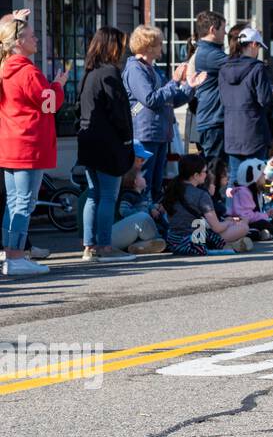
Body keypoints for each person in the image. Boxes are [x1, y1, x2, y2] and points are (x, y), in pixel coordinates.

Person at [1, 16, 66, 275]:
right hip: (28, 144)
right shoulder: (27, 71)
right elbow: (49, 104)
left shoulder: (5, 67)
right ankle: (16, 257)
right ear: (19, 42)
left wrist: (14, 18)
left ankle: (10, 254)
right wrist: (58, 85)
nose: (36, 38)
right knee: (24, 203)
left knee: (13, 202)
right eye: (31, 35)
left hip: (9, 143)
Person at [123, 25, 205, 203]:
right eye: (159, 44)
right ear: (148, 46)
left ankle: (154, 219)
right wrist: (175, 81)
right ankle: (141, 217)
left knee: (156, 183)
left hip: (159, 133)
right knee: (142, 181)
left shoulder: (154, 69)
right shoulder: (136, 69)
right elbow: (150, 99)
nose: (163, 47)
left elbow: (171, 100)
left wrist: (190, 86)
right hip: (144, 133)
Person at [77, 27, 137, 264]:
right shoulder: (110, 73)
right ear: (112, 46)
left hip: (88, 141)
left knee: (93, 195)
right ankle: (105, 246)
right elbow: (119, 112)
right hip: (108, 144)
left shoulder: (89, 73)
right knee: (108, 196)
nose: (122, 50)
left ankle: (88, 246)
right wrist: (126, 139)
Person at [162, 154, 252, 255]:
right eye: (204, 171)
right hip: (196, 239)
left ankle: (229, 244)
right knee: (243, 226)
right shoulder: (201, 194)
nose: (207, 174)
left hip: (173, 239)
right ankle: (229, 244)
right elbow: (217, 228)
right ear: (196, 175)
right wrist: (229, 222)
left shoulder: (171, 189)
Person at [220, 26, 273, 175]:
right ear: (253, 45)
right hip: (254, 131)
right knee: (255, 179)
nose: (258, 51)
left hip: (231, 131)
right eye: (258, 47)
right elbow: (265, 100)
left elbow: (223, 99)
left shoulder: (224, 67)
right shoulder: (257, 68)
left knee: (235, 181)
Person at [192, 10, 228, 168]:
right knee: (214, 169)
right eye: (223, 29)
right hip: (213, 120)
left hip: (213, 119)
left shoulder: (210, 51)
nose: (225, 33)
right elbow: (239, 66)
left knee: (218, 169)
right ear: (213, 30)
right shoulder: (210, 54)